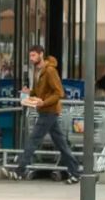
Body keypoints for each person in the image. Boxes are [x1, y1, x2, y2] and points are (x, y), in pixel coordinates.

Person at [14, 49, 81, 183]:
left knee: (34, 139)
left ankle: (18, 170)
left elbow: (59, 93)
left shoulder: (50, 71)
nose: (31, 58)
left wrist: (44, 102)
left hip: (49, 111)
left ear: (41, 54)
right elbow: (40, 91)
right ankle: (75, 173)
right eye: (30, 56)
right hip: (45, 111)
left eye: (34, 55)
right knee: (61, 144)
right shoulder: (38, 72)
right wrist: (30, 92)